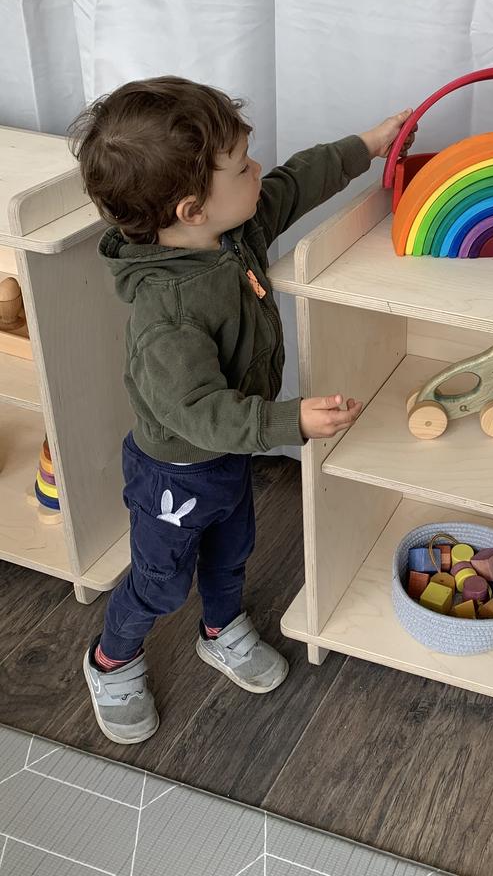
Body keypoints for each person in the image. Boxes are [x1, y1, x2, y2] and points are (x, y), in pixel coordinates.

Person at [68, 75, 415, 743]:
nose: (259, 170)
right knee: (161, 581)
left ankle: (221, 628)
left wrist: (365, 147)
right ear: (193, 208)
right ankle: (112, 659)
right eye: (242, 165)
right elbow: (199, 413)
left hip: (225, 460)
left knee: (233, 553)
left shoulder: (234, 231)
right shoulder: (165, 315)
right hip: (175, 473)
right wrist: (290, 423)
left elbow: (290, 185)